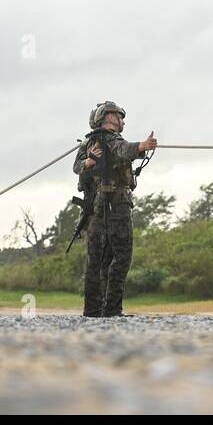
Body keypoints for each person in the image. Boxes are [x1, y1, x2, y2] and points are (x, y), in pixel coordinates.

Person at [73, 100, 157, 317]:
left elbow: (77, 167)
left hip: (94, 208)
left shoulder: (88, 143)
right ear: (109, 118)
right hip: (116, 203)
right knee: (121, 256)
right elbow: (123, 150)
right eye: (119, 116)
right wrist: (142, 146)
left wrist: (89, 163)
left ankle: (92, 310)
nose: (122, 121)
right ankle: (111, 309)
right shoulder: (111, 139)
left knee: (97, 260)